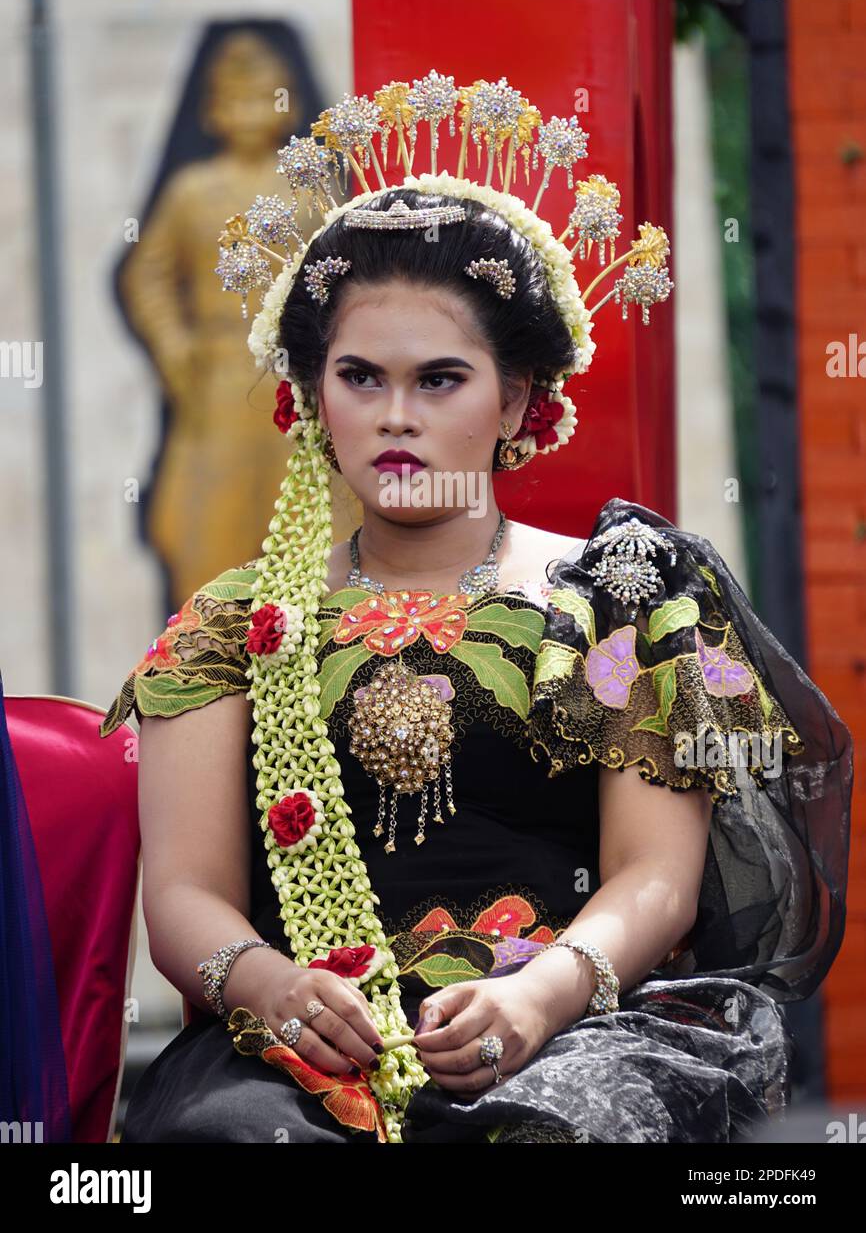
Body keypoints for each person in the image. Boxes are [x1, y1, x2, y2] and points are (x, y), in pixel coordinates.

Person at [98, 73, 853, 1144]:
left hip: (563, 1027)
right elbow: (182, 891)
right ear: (311, 398)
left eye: (439, 380)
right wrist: (266, 983)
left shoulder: (613, 600)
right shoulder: (231, 626)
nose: (395, 417)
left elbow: (652, 876)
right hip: (298, 1049)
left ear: (516, 399)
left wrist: (537, 995)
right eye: (360, 377)